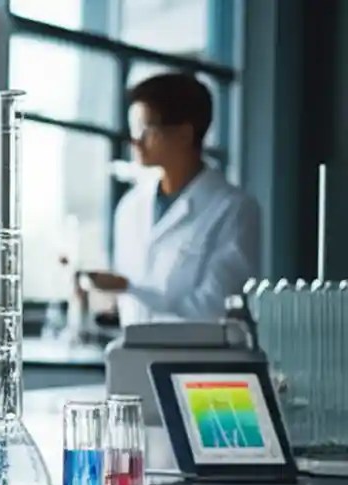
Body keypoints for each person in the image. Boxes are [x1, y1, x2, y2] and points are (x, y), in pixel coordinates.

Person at [84, 73, 260, 326]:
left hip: (193, 362)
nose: (135, 140)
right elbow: (127, 306)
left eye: (145, 130)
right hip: (129, 360)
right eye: (133, 129)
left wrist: (131, 289)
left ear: (184, 134)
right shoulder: (131, 207)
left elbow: (216, 309)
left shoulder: (233, 209)